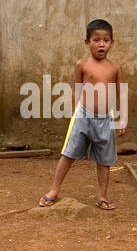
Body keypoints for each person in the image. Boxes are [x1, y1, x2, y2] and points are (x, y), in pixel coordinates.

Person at [40, 19, 125, 211]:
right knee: (68, 154)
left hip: (105, 120)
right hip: (83, 117)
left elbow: (122, 93)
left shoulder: (115, 68)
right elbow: (76, 90)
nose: (101, 44)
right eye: (96, 39)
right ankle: (54, 190)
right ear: (87, 42)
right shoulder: (82, 65)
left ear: (112, 42)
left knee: (104, 160)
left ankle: (102, 196)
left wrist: (122, 117)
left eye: (106, 40)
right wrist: (73, 114)